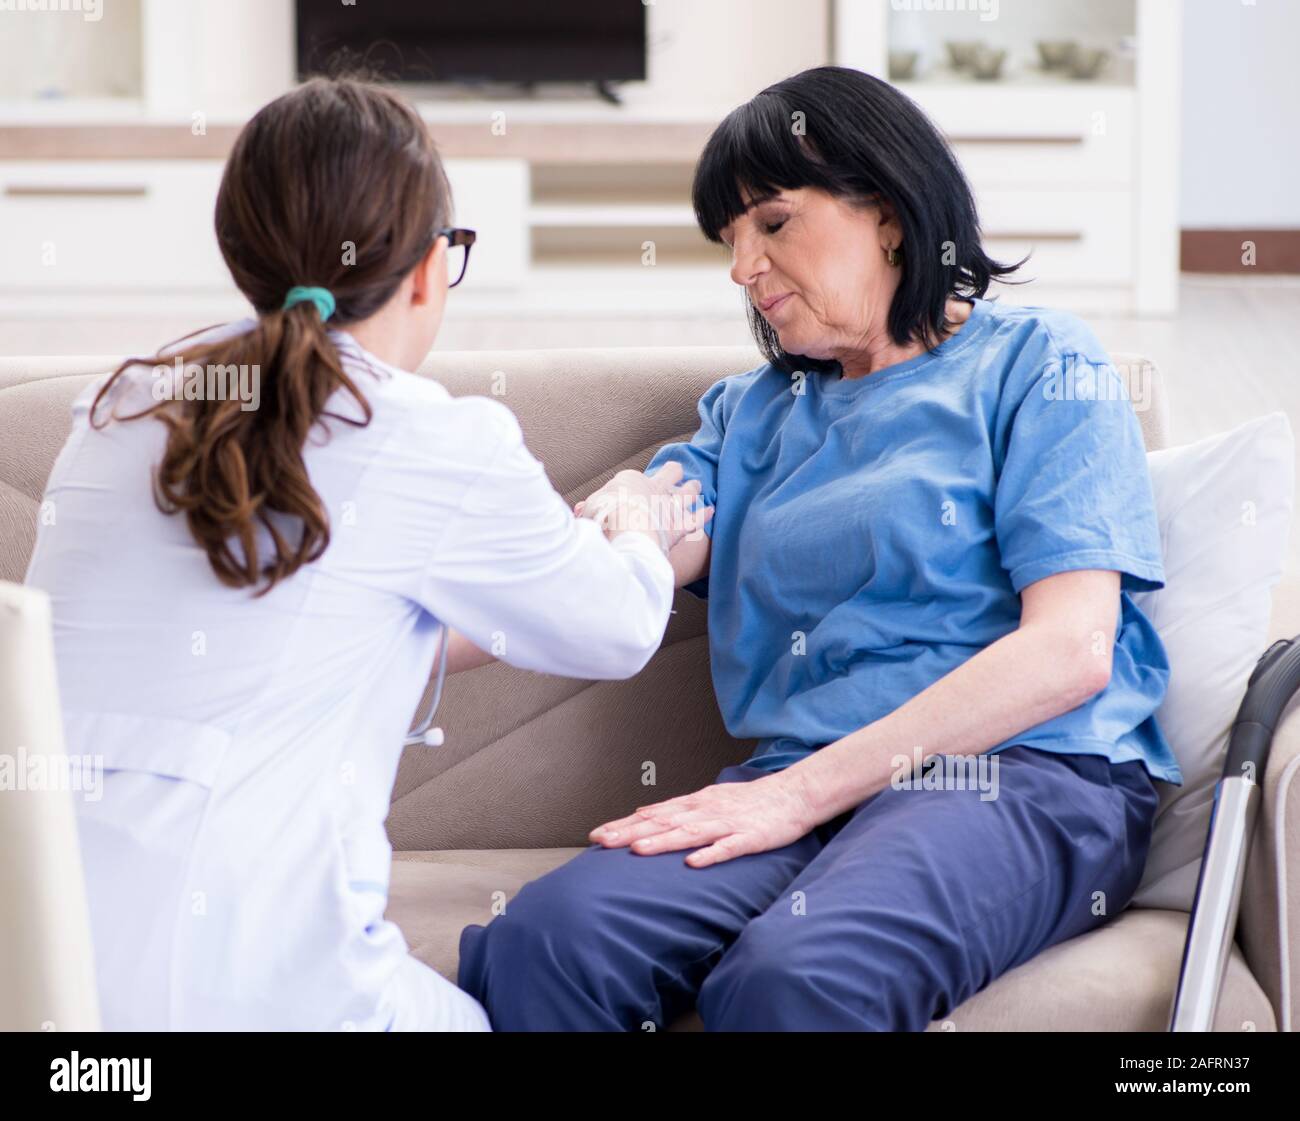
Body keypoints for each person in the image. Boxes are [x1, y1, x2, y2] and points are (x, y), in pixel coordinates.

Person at [457, 66, 1178, 1031]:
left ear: (886, 210)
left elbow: (1071, 650)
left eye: (771, 221)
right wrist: (622, 508)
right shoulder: (753, 415)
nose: (740, 266)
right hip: (801, 781)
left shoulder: (1043, 365)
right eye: (730, 240)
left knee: (796, 982)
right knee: (544, 943)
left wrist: (800, 794)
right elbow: (639, 542)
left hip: (1020, 773)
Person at [23, 77, 707, 1031]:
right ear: (429, 269)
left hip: (45, 973)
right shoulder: (430, 435)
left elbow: (295, 638)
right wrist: (643, 533)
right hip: (245, 989)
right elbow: (619, 628)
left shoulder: (121, 409)